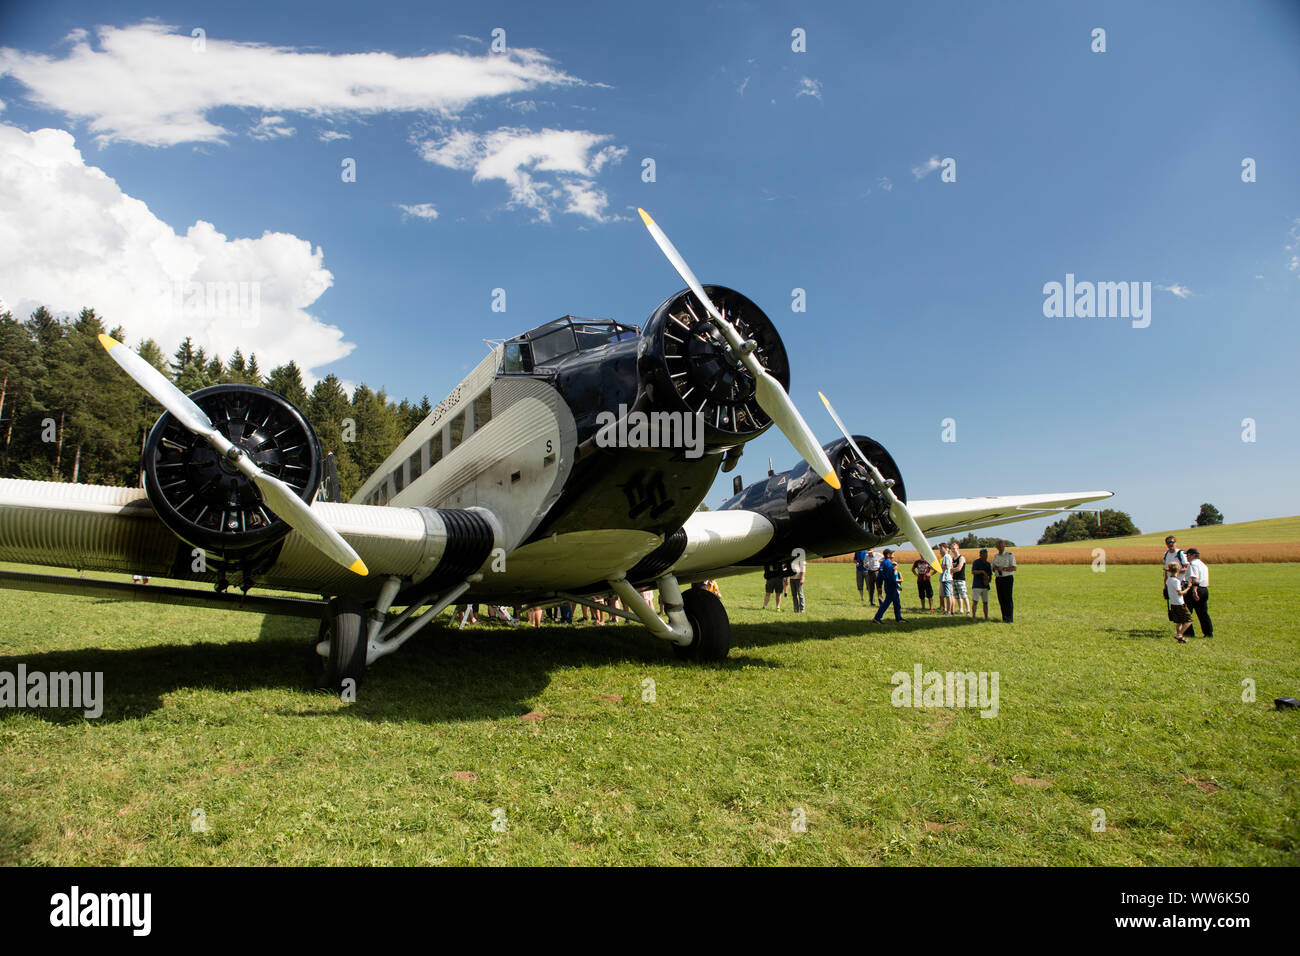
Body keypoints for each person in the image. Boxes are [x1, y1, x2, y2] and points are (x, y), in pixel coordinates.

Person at [1161, 535, 1196, 637]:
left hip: (1181, 582)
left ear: (1176, 543)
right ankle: (1181, 632)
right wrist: (1165, 585)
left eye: (1172, 542)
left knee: (1184, 606)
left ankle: (1187, 632)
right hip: (1170, 583)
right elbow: (1166, 571)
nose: (1170, 544)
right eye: (1168, 542)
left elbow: (1187, 566)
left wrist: (1176, 571)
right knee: (1176, 608)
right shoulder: (1166, 554)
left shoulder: (1181, 553)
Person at [1184, 548, 1213, 638]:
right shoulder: (1203, 564)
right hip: (1204, 589)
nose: (1187, 557)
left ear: (1192, 555)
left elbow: (1195, 579)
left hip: (1195, 589)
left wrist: (1194, 591)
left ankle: (1188, 633)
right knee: (1203, 613)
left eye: (1187, 555)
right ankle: (1208, 633)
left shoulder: (1193, 564)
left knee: (1187, 612)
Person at [872, 548, 906, 623]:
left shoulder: (883, 564)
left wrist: (879, 586)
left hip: (888, 585)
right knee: (886, 603)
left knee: (897, 602)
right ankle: (877, 618)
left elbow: (879, 577)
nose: (893, 554)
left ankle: (899, 618)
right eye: (892, 553)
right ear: (888, 555)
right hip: (891, 586)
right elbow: (891, 577)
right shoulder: (888, 564)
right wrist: (897, 586)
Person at [1165, 561, 1192, 642]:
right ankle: (1179, 634)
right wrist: (1188, 588)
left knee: (1179, 621)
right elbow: (1180, 592)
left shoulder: (1168, 580)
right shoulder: (1176, 581)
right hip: (1180, 603)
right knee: (1189, 620)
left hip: (1173, 603)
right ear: (1178, 570)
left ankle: (1180, 638)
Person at [992, 539, 1016, 623]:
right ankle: (1004, 617)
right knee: (1001, 598)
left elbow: (1014, 568)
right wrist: (995, 568)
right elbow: (993, 568)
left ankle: (1010, 618)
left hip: (1007, 578)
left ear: (1004, 546)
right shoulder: (996, 556)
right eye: (998, 546)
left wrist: (1004, 568)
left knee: (1007, 598)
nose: (999, 547)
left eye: (1001, 545)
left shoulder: (1009, 555)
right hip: (999, 578)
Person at [970, 548, 993, 620]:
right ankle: (974, 616)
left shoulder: (988, 564)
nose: (986, 555)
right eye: (984, 554)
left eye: (986, 554)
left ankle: (986, 617)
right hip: (977, 585)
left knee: (985, 602)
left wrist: (988, 581)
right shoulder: (976, 562)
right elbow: (973, 572)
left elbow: (990, 575)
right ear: (980, 555)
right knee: (975, 601)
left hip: (985, 586)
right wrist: (982, 572)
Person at [950, 542, 969, 614]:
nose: (953, 550)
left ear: (958, 549)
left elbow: (959, 568)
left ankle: (968, 610)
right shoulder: (952, 559)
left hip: (961, 579)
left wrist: (951, 570)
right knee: (957, 596)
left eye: (954, 548)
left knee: (963, 595)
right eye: (952, 548)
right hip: (954, 579)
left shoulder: (961, 558)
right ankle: (961, 609)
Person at [938, 543, 954, 614]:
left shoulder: (946, 556)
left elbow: (947, 566)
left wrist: (939, 566)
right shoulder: (947, 556)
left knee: (948, 595)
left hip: (946, 578)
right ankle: (950, 610)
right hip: (946, 578)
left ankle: (948, 611)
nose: (940, 550)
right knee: (949, 595)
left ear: (945, 548)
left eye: (941, 548)